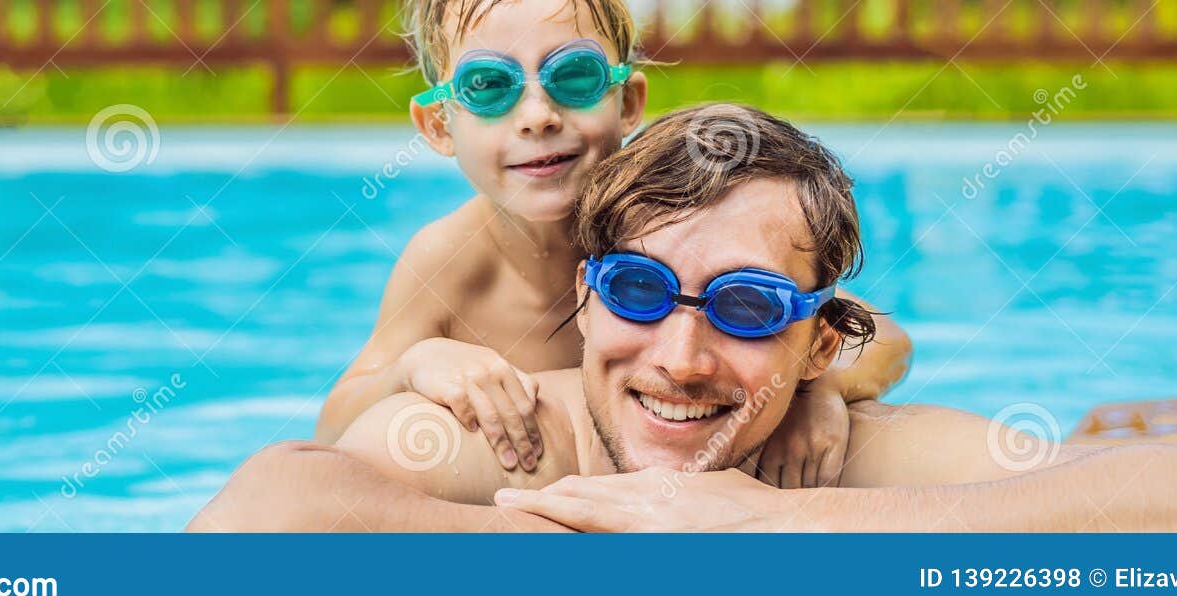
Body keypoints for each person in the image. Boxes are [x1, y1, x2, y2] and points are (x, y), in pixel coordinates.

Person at [189, 104, 1177, 532]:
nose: (678, 358)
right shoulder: (512, 442)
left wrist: (766, 525)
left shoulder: (848, 464)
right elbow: (261, 512)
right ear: (581, 296)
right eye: (634, 291)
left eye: (747, 308)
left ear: (822, 341)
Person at [314, 0, 913, 488]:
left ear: (627, 102)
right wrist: (411, 368)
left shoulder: (669, 222)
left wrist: (817, 386)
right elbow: (333, 430)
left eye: (573, 77)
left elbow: (883, 338)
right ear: (440, 126)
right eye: (489, 85)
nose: (538, 115)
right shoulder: (446, 259)